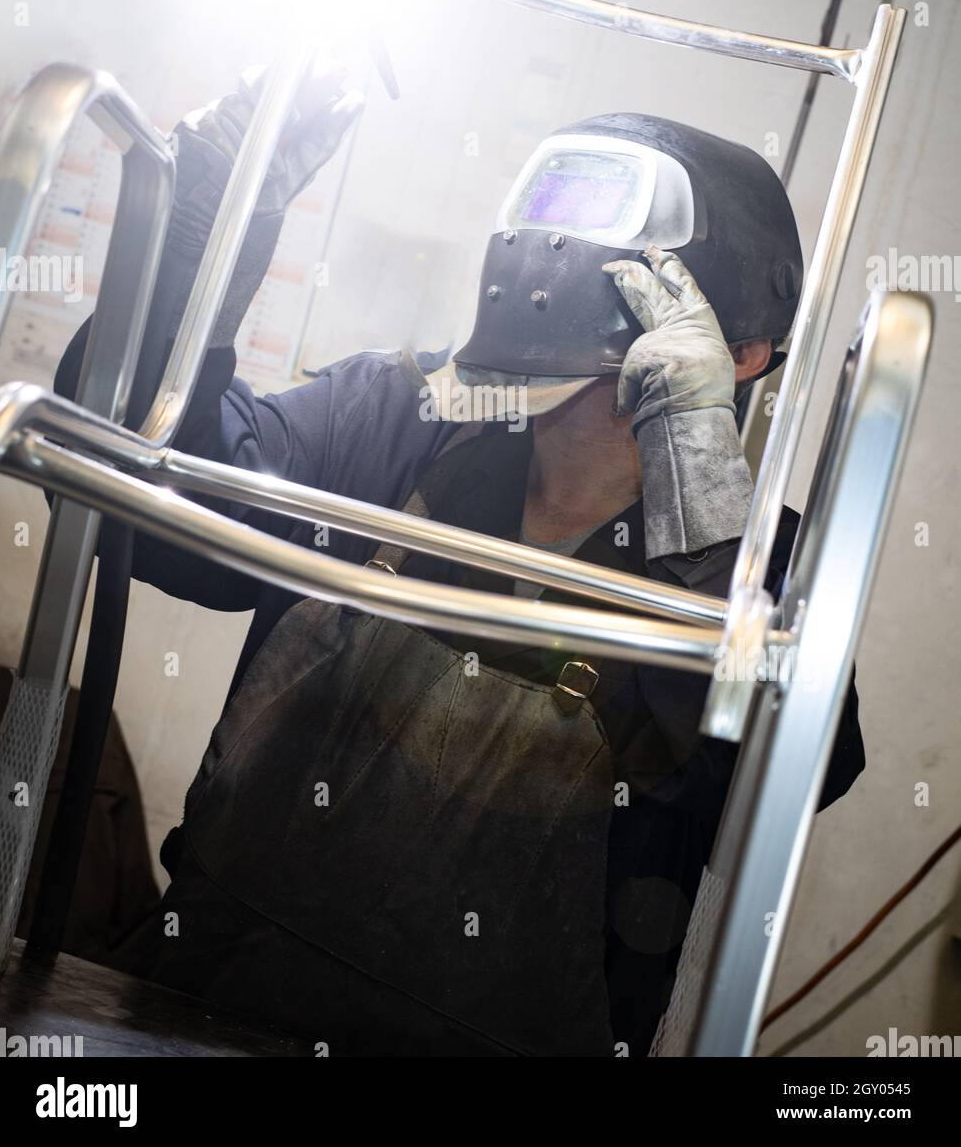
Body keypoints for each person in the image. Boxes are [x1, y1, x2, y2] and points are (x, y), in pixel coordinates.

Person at [56, 59, 865, 1057]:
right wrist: (200, 235)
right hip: (204, 1006)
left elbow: (793, 774)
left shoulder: (756, 568)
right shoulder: (396, 418)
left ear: (742, 354)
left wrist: (694, 467)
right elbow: (141, 495)